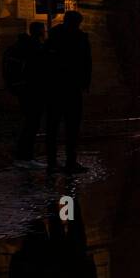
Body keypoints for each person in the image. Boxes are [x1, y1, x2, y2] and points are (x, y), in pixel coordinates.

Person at [45, 11, 92, 174]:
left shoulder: (53, 37)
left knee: (52, 125)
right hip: (72, 86)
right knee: (72, 126)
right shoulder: (80, 38)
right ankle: (70, 161)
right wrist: (85, 82)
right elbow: (86, 62)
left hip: (54, 87)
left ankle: (52, 161)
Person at [3, 21, 46, 164]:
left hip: (22, 88)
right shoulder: (34, 47)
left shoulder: (18, 46)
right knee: (32, 122)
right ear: (40, 32)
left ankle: (23, 153)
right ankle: (25, 154)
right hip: (32, 88)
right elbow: (38, 70)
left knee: (30, 121)